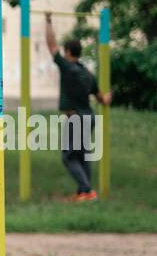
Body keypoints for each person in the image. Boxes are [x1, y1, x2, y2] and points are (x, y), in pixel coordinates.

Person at [44, 12, 111, 201]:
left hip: (74, 118)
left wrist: (49, 21)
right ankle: (84, 193)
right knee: (83, 155)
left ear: (68, 52)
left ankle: (87, 189)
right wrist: (108, 97)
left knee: (69, 157)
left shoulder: (67, 67)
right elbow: (101, 99)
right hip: (88, 117)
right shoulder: (88, 74)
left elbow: (51, 45)